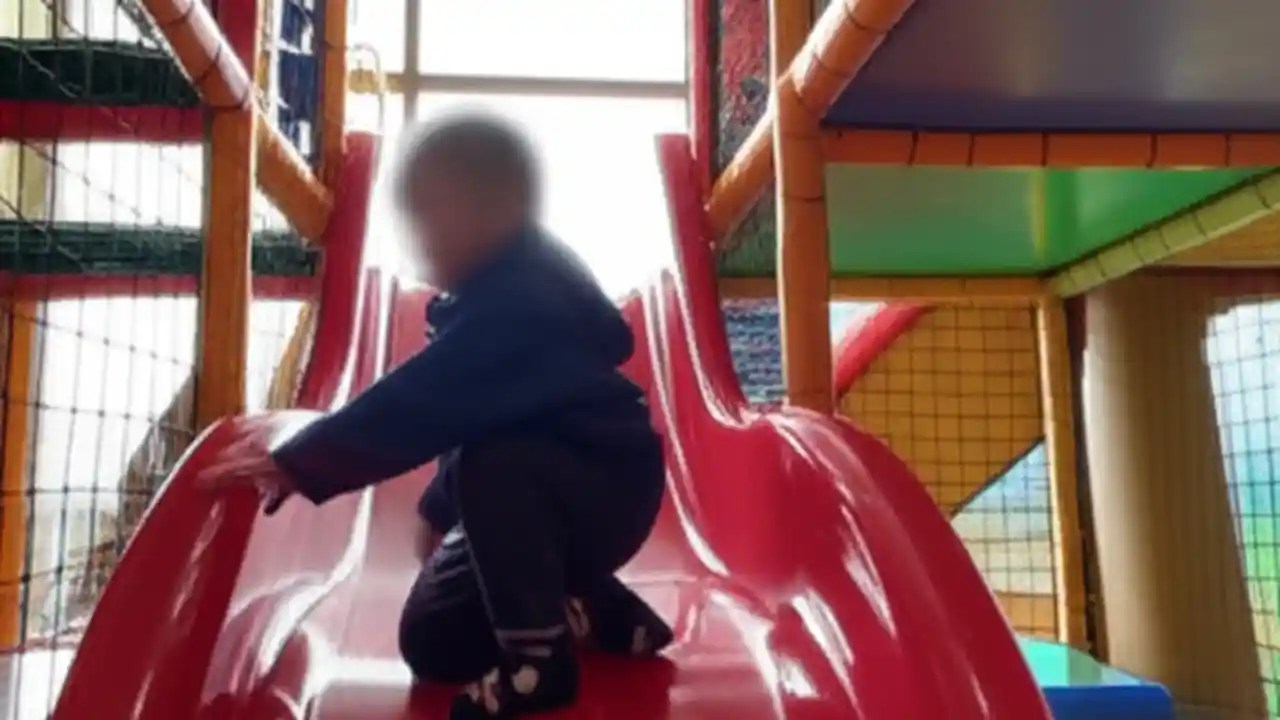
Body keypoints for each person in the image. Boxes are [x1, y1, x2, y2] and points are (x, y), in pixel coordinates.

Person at [200, 114, 672, 718]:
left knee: (495, 466)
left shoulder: (522, 298)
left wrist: (304, 461)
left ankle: (540, 667)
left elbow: (428, 400)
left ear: (498, 213)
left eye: (431, 214)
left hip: (604, 488)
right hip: (539, 498)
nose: (418, 236)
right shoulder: (480, 304)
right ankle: (592, 606)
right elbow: (476, 408)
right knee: (432, 640)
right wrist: (438, 509)